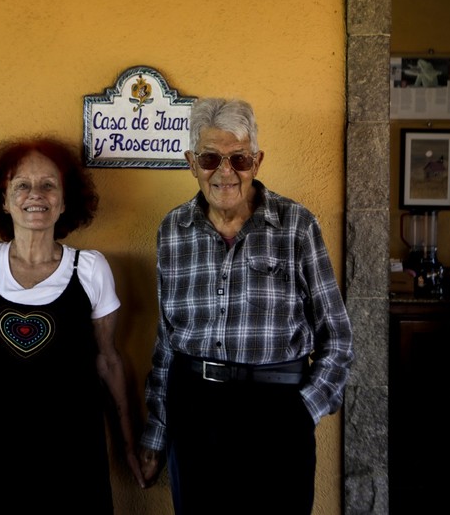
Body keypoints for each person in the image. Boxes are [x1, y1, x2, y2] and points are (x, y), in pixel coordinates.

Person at [139, 98, 354, 514]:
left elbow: (337, 338)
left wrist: (302, 412)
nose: (224, 172)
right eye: (209, 158)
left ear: (256, 161)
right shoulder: (173, 229)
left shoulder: (296, 224)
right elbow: (166, 341)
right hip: (194, 408)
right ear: (191, 162)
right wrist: (157, 432)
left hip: (276, 409)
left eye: (238, 158)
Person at [0, 135, 145, 513]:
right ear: (3, 199)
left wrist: (130, 443)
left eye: (49, 185)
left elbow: (108, 359)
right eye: (22, 185)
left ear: (65, 201)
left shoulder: (89, 269)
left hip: (68, 441)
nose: (37, 195)